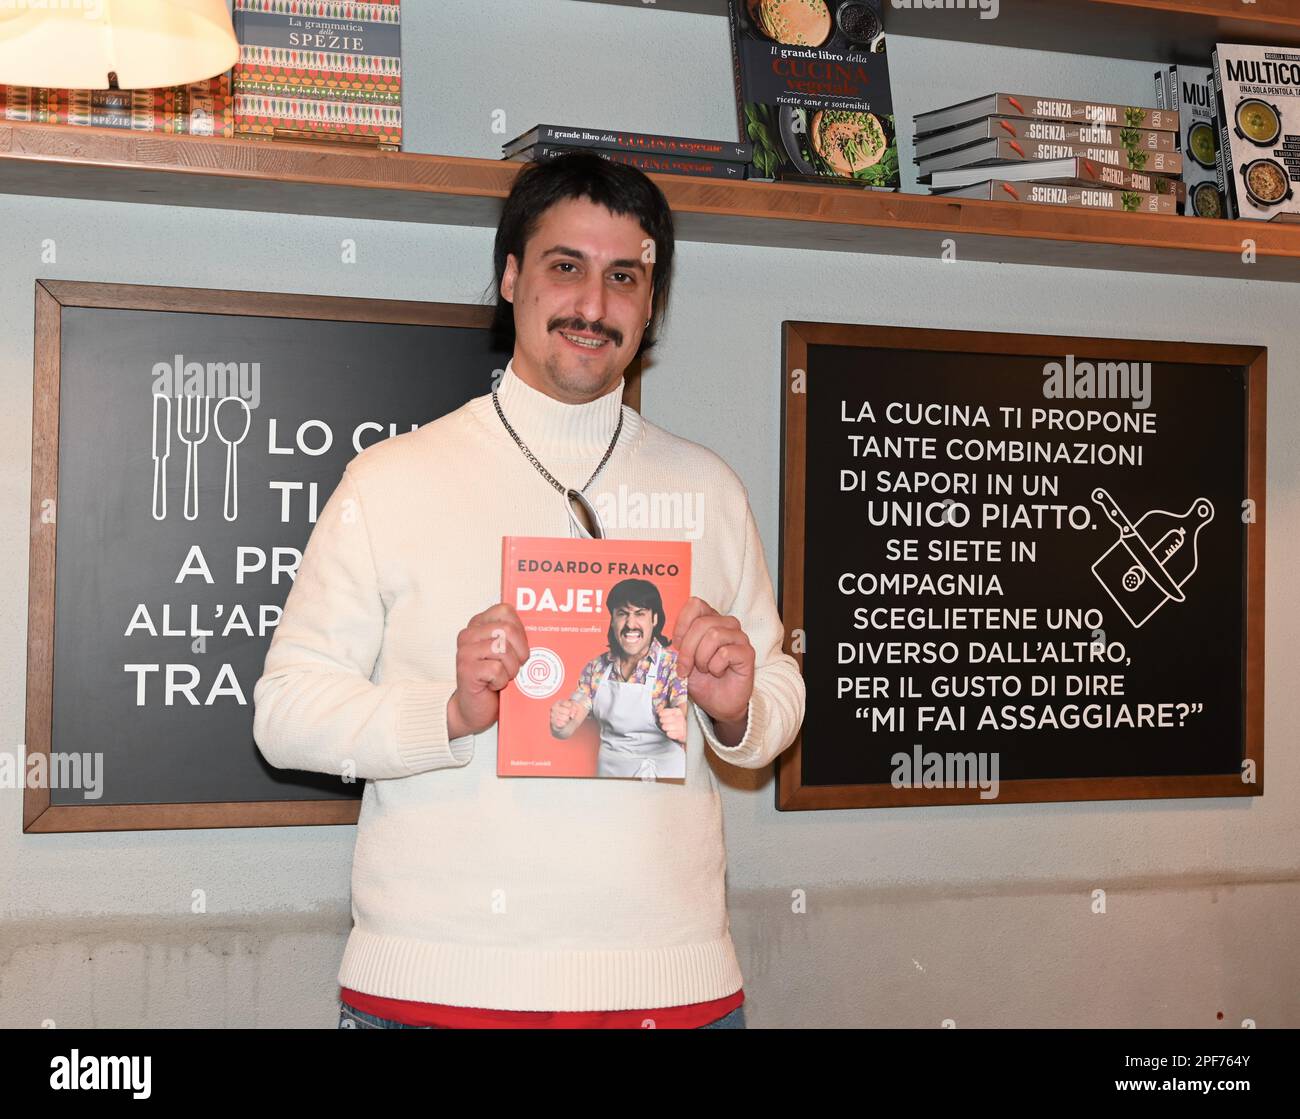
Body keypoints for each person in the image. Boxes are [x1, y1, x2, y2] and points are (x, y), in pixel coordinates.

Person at [252, 150, 806, 1029]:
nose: (593, 304)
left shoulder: (708, 488)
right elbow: (284, 712)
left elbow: (775, 696)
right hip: (435, 992)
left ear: (651, 301)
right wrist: (449, 712)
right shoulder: (392, 477)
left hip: (672, 990)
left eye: (624, 276)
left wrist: (735, 708)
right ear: (510, 277)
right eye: (565, 267)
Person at [550, 578, 689, 781]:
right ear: (613, 620)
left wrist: (685, 726)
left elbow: (683, 710)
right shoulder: (596, 668)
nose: (630, 624)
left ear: (655, 619)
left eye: (640, 614)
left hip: (664, 785)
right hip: (610, 781)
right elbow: (572, 720)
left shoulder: (674, 666)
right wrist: (560, 724)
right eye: (622, 614)